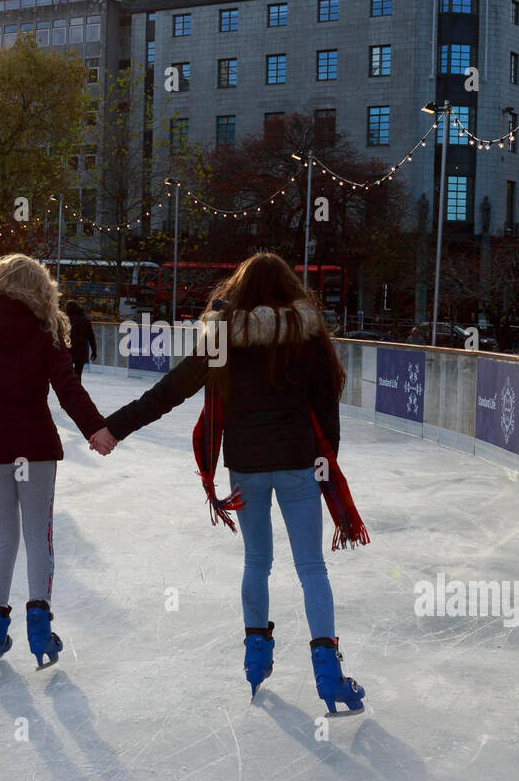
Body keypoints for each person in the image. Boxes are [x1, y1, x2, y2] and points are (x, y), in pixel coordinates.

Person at [93, 252, 368, 714]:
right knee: (312, 569)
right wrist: (325, 468)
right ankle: (328, 671)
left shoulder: (223, 336)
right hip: (299, 464)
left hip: (245, 466)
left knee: (257, 560)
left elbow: (170, 391)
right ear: (290, 289)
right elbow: (327, 412)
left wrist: (113, 428)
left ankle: (256, 655)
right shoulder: (309, 334)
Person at [0, 254, 111, 672]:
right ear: (39, 289)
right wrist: (95, 429)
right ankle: (39, 625)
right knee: (39, 537)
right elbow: (69, 389)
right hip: (34, 448)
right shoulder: (44, 333)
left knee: (3, 540)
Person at [65, 299, 97, 380]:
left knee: (67, 373)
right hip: (81, 350)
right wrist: (94, 350)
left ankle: (70, 390)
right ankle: (77, 389)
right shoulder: (85, 320)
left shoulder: (66, 320)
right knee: (78, 373)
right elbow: (91, 336)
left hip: (69, 350)